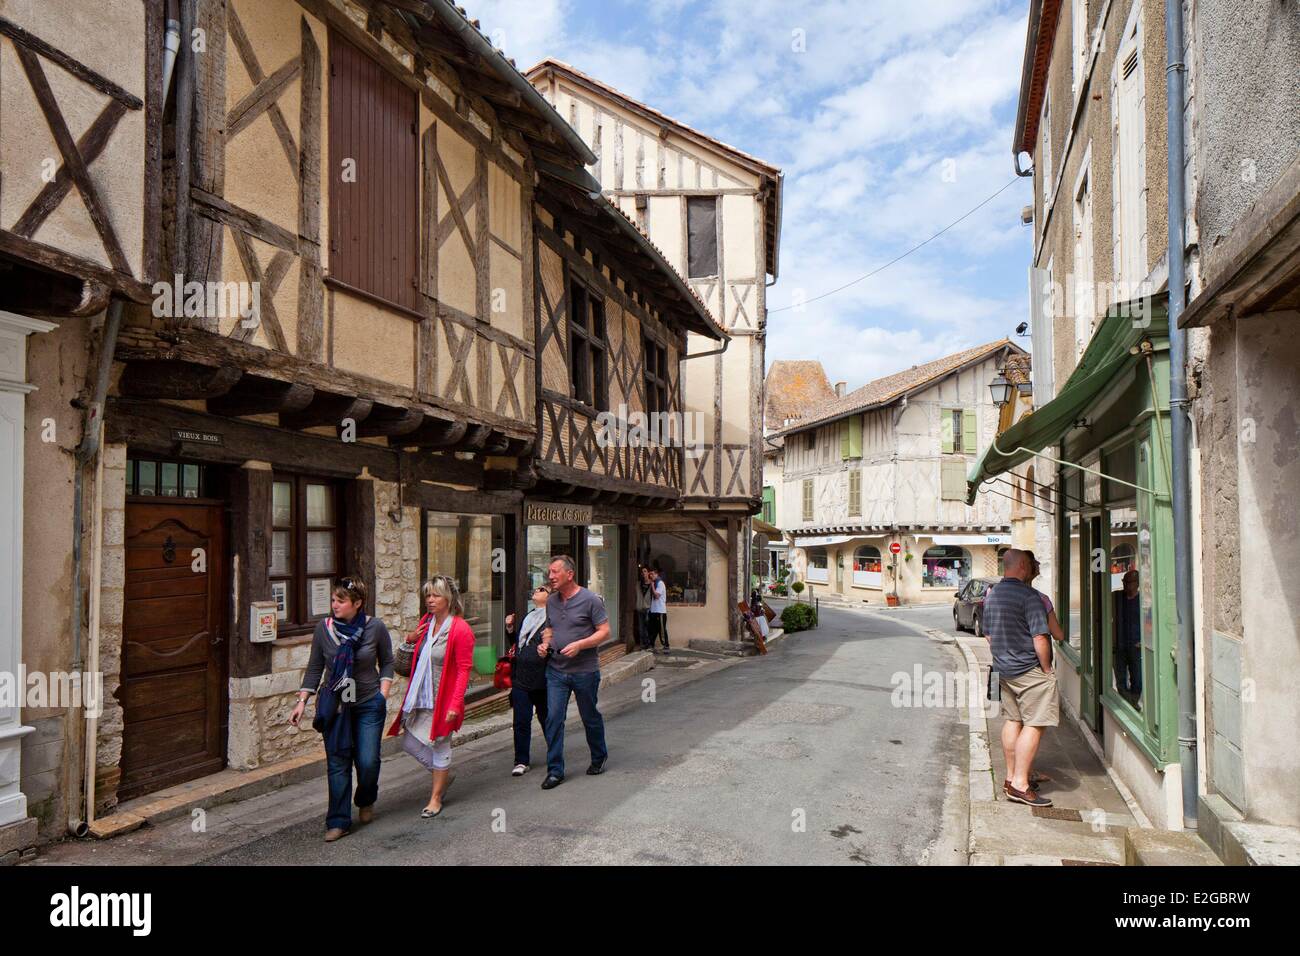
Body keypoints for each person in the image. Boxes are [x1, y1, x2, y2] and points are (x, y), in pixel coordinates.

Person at [290, 576, 394, 843]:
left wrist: (383, 695)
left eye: (340, 601)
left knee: (368, 762)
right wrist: (302, 700)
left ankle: (366, 798)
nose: (334, 605)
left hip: (369, 704)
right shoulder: (323, 630)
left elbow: (387, 663)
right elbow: (315, 668)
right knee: (338, 764)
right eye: (333, 600)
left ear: (357, 603)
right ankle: (338, 820)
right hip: (336, 706)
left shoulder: (375, 628)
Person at [386, 575, 474, 818]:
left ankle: (435, 797)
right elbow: (408, 661)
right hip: (420, 696)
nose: (430, 600)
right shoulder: (426, 623)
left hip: (443, 698)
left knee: (439, 743)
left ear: (448, 598)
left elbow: (464, 669)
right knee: (410, 743)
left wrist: (455, 703)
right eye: (428, 595)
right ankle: (442, 775)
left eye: (435, 595)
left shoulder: (460, 629)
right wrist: (410, 639)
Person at [982, 548, 1056, 808]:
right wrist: (1047, 670)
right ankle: (1021, 785)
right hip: (1029, 670)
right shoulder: (1030, 596)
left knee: (1012, 720)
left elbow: (988, 635)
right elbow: (1040, 637)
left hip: (1003, 669)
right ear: (1023, 566)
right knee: (1035, 724)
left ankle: (1010, 777)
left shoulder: (992, 594)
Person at [540, 555, 609, 790]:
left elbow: (604, 632)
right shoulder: (551, 601)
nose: (550, 577)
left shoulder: (591, 600)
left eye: (554, 572)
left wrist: (580, 644)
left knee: (589, 716)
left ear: (569, 574)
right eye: (549, 572)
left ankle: (599, 757)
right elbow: (549, 629)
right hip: (556, 671)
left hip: (585, 671)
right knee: (553, 719)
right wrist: (545, 644)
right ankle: (555, 771)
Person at [504, 585, 552, 776]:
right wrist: (509, 628)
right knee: (521, 720)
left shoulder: (553, 618)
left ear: (550, 597)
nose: (535, 591)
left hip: (542, 676)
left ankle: (554, 753)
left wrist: (547, 648)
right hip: (521, 675)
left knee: (546, 717)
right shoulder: (528, 616)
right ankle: (521, 760)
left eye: (541, 589)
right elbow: (518, 643)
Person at [1114, 569, 1142, 700]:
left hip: (1136, 646)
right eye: (1124, 582)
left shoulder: (1142, 601)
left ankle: (1134, 701)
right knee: (1120, 678)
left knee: (1137, 678)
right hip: (1120, 644)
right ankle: (1125, 701)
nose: (1126, 585)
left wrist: (1143, 641)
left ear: (1137, 583)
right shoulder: (1117, 597)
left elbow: (1150, 623)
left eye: (1129, 582)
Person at [648, 567, 669, 652]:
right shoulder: (655, 583)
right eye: (650, 574)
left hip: (660, 611)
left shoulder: (660, 583)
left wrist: (652, 586)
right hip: (654, 610)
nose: (651, 575)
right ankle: (651, 645)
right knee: (653, 629)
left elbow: (657, 596)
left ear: (657, 574)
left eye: (652, 574)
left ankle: (666, 645)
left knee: (662, 629)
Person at [634, 567, 654, 651]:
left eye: (645, 571)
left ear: (649, 573)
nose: (643, 573)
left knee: (648, 627)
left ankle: (648, 644)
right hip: (639, 608)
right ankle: (642, 644)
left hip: (648, 608)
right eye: (642, 572)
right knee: (641, 627)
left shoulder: (652, 584)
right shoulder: (638, 584)